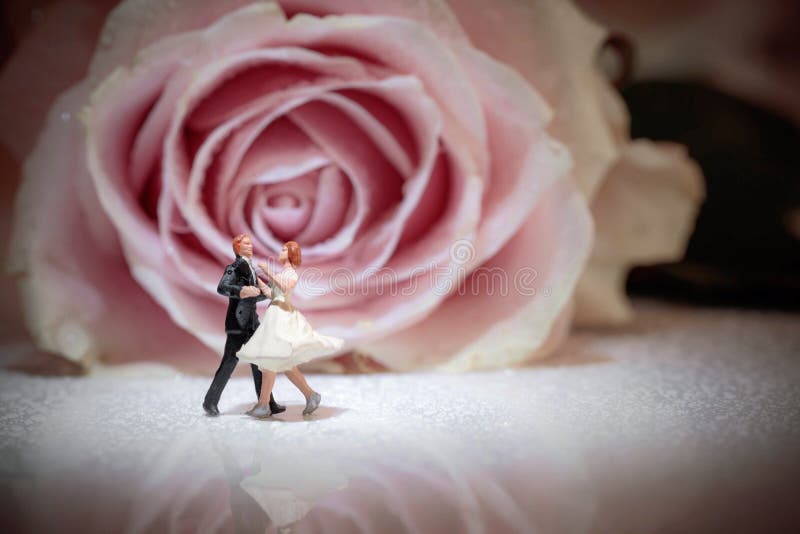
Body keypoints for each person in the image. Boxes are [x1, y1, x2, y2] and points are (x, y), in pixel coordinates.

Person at [238, 241, 344, 418]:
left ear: (291, 253)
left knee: (273, 359)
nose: (280, 252)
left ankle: (266, 404)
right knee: (277, 362)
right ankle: (307, 396)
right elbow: (274, 294)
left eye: (283, 249)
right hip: (274, 313)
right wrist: (260, 283)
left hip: (283, 317)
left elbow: (286, 288)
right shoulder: (282, 273)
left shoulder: (292, 274)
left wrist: (268, 271)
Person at [202, 234, 286, 416]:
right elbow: (222, 287)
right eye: (246, 243)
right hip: (238, 323)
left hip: (251, 322)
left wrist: (270, 288)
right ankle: (210, 402)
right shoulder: (234, 267)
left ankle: (266, 403)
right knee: (229, 362)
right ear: (237, 247)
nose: (251, 245)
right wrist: (241, 290)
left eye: (250, 243)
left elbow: (255, 295)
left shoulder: (251, 268)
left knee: (260, 362)